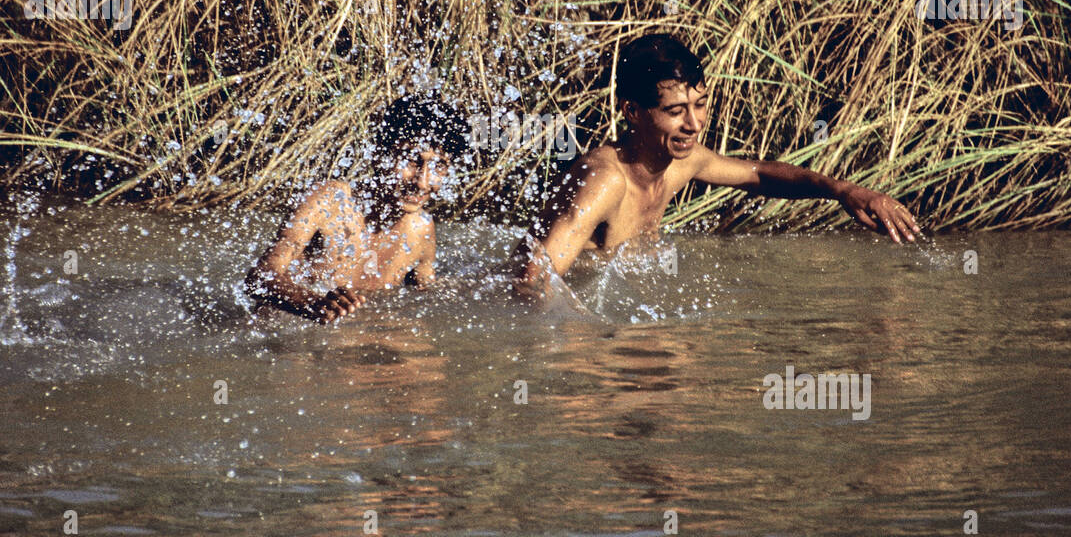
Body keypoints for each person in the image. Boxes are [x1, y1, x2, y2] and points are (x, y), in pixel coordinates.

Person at [512, 34, 922, 297]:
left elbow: (758, 174)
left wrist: (844, 191)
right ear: (632, 112)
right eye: (675, 111)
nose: (693, 124)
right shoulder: (605, 183)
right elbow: (532, 281)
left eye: (700, 105)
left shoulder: (680, 162)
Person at [246, 93, 469, 323]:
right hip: (288, 342)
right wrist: (311, 303)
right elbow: (259, 278)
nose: (422, 182)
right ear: (379, 155)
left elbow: (427, 298)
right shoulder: (330, 201)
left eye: (438, 166)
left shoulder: (421, 230)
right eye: (411, 160)